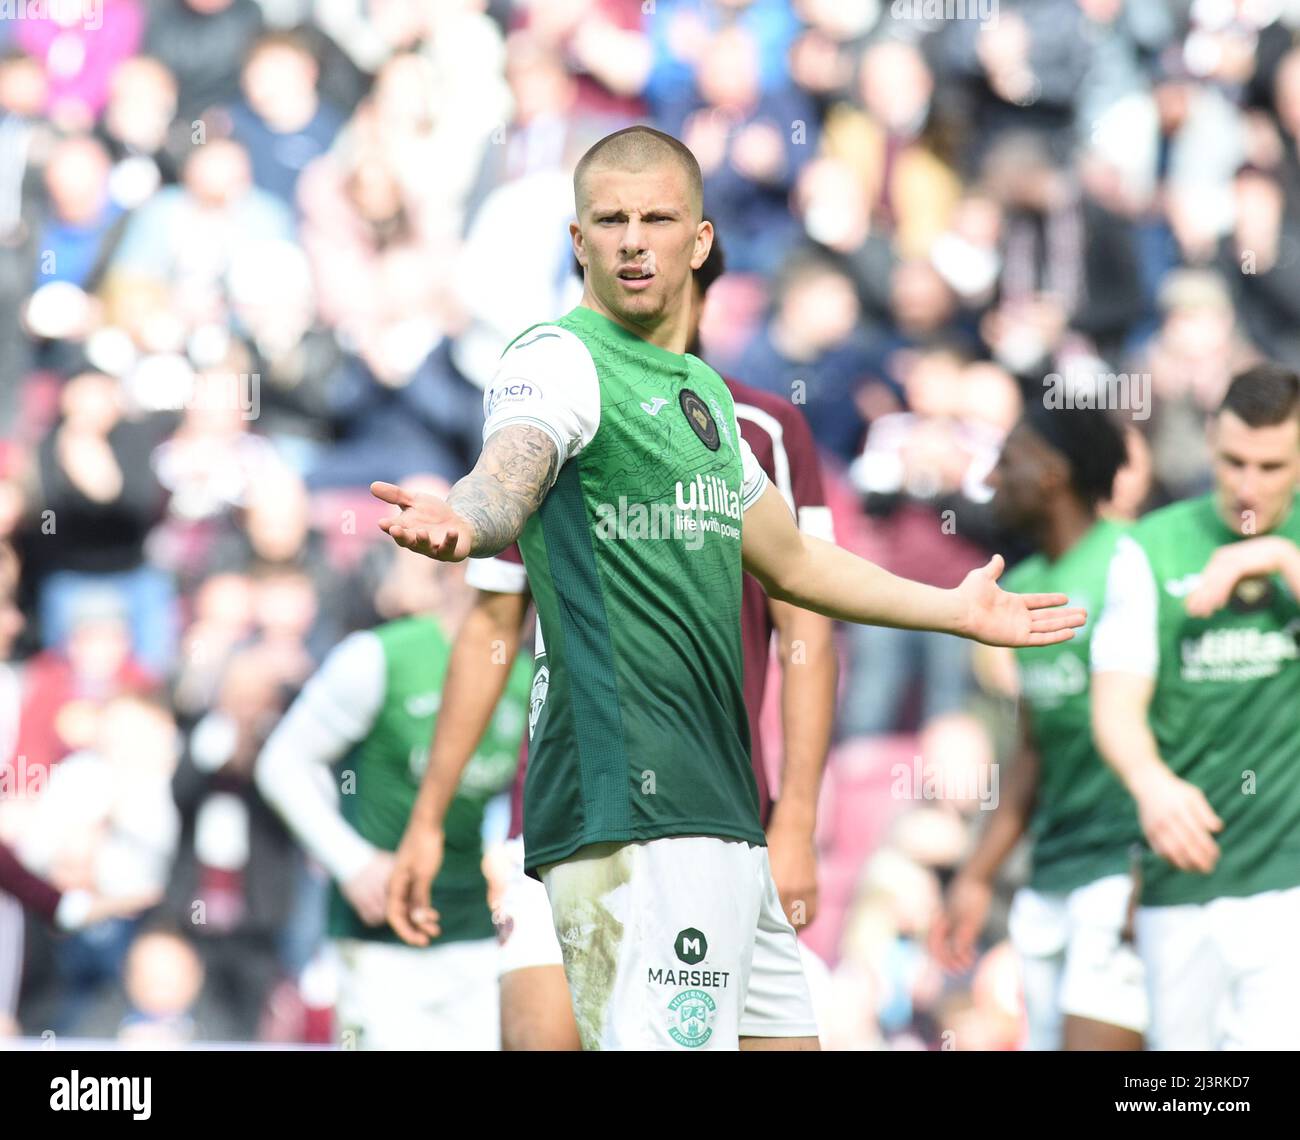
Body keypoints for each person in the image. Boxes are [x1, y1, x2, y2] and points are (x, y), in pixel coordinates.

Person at [370, 125, 1084, 1051]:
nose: (633, 239)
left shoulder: (704, 400)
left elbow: (796, 567)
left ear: (700, 241)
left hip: (720, 816)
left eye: (657, 218)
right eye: (610, 220)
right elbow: (512, 465)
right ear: (578, 240)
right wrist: (473, 516)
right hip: (633, 811)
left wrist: (953, 610)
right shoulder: (557, 359)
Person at [387, 232, 839, 1050]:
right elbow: (493, 628)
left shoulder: (765, 430)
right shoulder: (553, 415)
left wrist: (798, 817)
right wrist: (430, 816)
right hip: (568, 804)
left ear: (700, 278)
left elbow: (807, 625)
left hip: (715, 810)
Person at [1091, 363, 1300, 1050]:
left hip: (1286, 879)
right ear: (1208, 440)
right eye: (1233, 461)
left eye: (1272, 467)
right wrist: (1151, 784)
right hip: (1184, 873)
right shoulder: (1149, 550)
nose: (1248, 485)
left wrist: (1274, 558)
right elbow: (1117, 702)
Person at [932, 404, 1147, 1051]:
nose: (991, 480)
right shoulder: (1021, 588)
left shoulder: (1130, 563)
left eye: (1007, 461)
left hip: (1123, 869)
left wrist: (1151, 874)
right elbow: (1033, 751)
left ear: (1052, 472)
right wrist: (975, 876)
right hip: (1049, 876)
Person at [255, 557, 531, 1049]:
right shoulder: (380, 657)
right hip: (379, 936)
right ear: (451, 574)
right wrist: (352, 861)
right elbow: (282, 763)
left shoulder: (525, 674)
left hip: (475, 932)